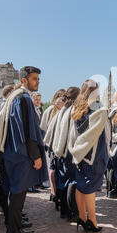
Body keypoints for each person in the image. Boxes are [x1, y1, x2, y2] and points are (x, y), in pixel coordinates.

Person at [0, 66, 49, 233]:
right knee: (18, 195)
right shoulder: (23, 99)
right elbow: (28, 130)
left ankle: (16, 230)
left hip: (12, 153)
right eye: (34, 79)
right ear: (24, 80)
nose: (37, 82)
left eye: (38, 79)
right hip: (20, 155)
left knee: (15, 194)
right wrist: (36, 156)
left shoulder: (15, 97)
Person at [68, 79, 109, 232]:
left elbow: (74, 134)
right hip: (93, 154)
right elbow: (93, 135)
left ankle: (82, 217)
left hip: (79, 154)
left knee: (81, 186)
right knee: (90, 188)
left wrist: (76, 151)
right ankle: (92, 220)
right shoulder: (98, 109)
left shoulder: (77, 108)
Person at [46, 87, 80, 220]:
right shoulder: (72, 111)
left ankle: (64, 210)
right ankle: (71, 211)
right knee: (71, 181)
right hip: (67, 151)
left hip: (59, 150)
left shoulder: (62, 110)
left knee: (64, 181)